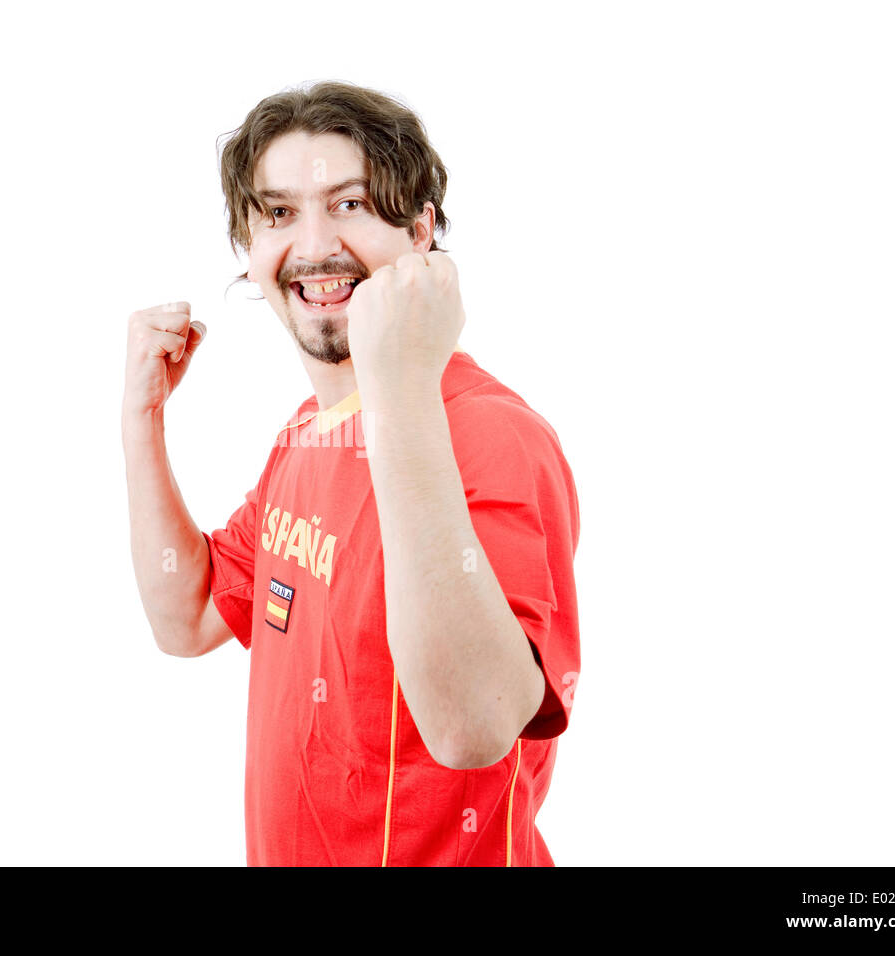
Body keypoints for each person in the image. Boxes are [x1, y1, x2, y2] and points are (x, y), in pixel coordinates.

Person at [122, 81, 580, 866]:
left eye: (350, 204)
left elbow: (473, 725)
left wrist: (398, 387)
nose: (312, 246)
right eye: (277, 213)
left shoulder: (494, 434)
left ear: (421, 231)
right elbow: (188, 618)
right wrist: (143, 418)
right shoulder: (306, 436)